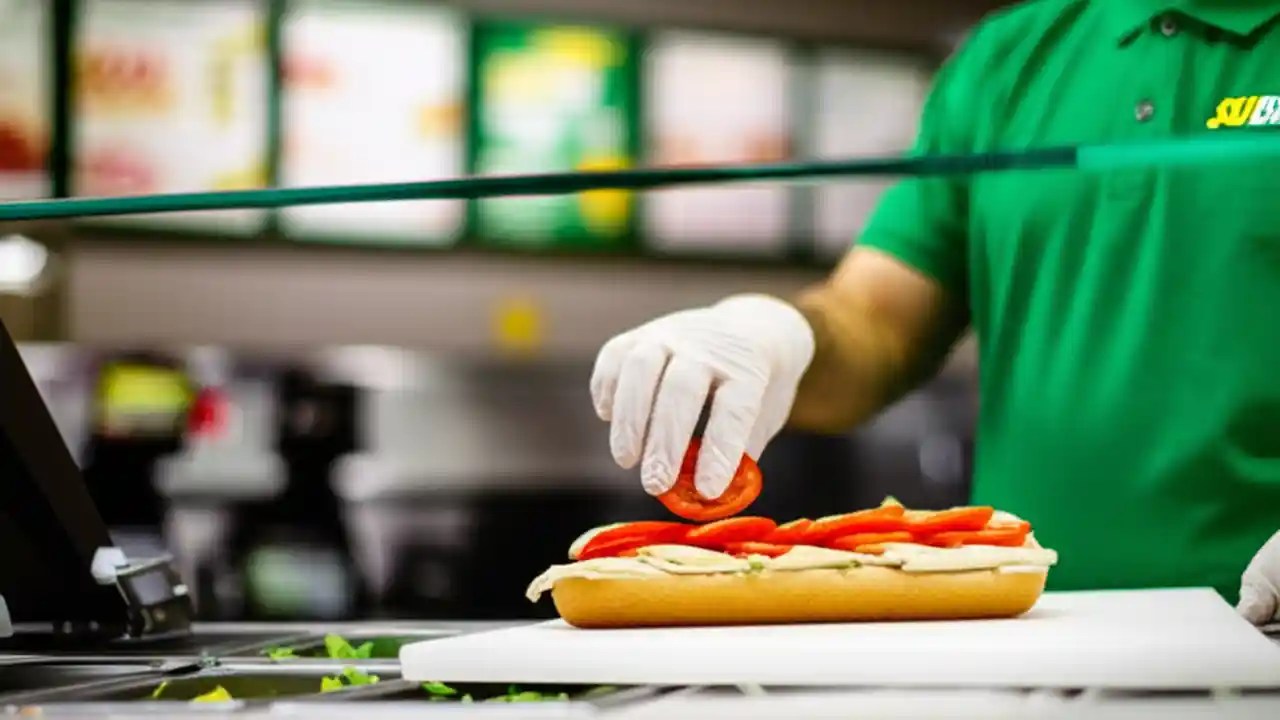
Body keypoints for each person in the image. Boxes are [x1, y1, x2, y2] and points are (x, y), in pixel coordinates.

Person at [588, 0, 1280, 625]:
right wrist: (775, 335)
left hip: (1261, 637)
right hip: (1025, 642)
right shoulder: (1010, 56)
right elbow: (876, 325)